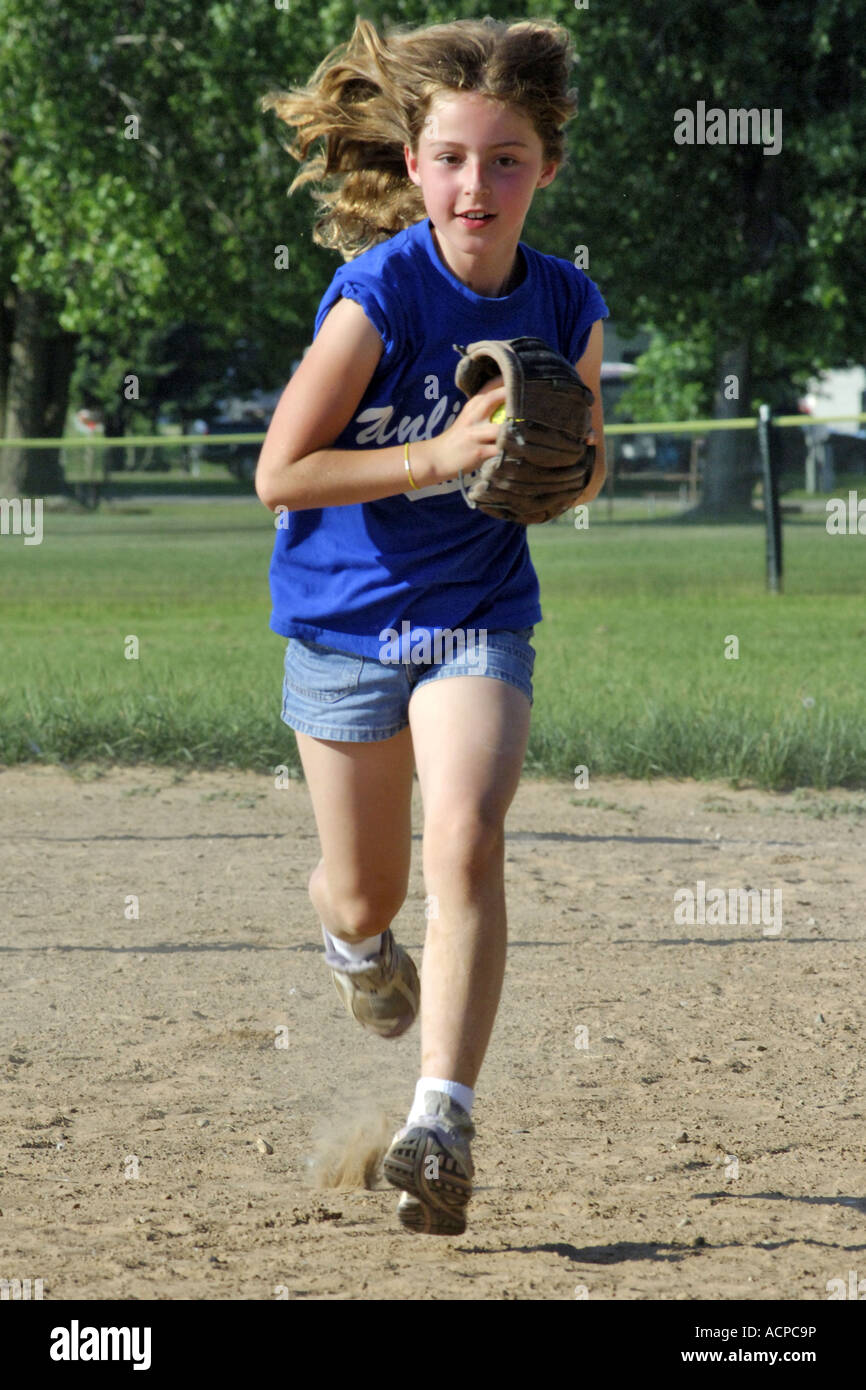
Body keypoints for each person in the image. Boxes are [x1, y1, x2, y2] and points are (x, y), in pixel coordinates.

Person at [256, 14, 608, 1236]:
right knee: (363, 892)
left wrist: (559, 471)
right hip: (346, 624)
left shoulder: (566, 301)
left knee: (466, 837)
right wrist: (435, 457)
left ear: (546, 168)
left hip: (474, 616)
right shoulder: (376, 294)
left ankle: (439, 1120)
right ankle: (355, 949)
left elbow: (586, 462)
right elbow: (279, 475)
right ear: (413, 164)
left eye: (506, 158)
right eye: (453, 157)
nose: (478, 183)